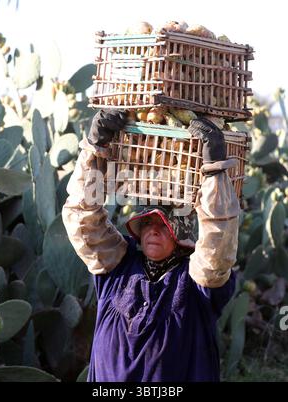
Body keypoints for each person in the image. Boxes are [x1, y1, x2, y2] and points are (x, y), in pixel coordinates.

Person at [62, 110, 240, 382]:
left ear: (179, 234)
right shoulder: (118, 268)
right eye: (147, 223)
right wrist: (93, 150)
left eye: (163, 225)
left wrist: (215, 169)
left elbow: (217, 248)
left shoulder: (195, 282)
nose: (153, 230)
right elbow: (82, 220)